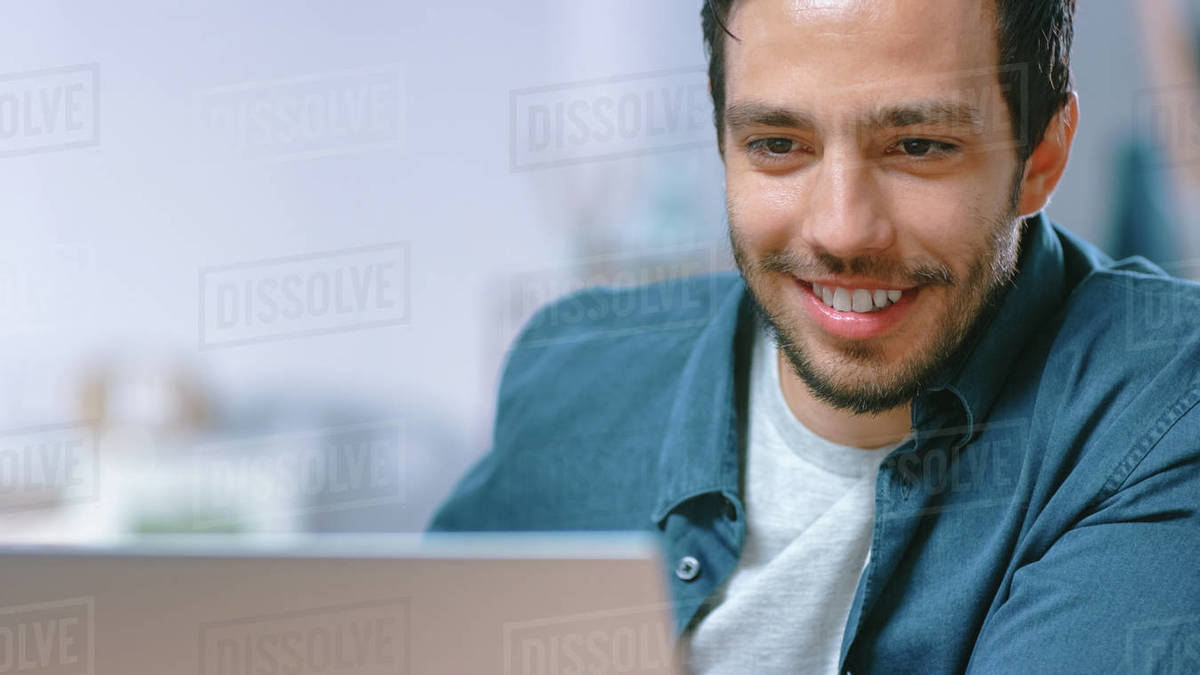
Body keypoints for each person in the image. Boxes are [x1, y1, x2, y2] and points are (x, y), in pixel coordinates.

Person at [431, 1, 1200, 672]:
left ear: (1042, 154)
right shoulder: (572, 371)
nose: (840, 230)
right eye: (777, 143)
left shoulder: (1163, 400)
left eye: (918, 146)